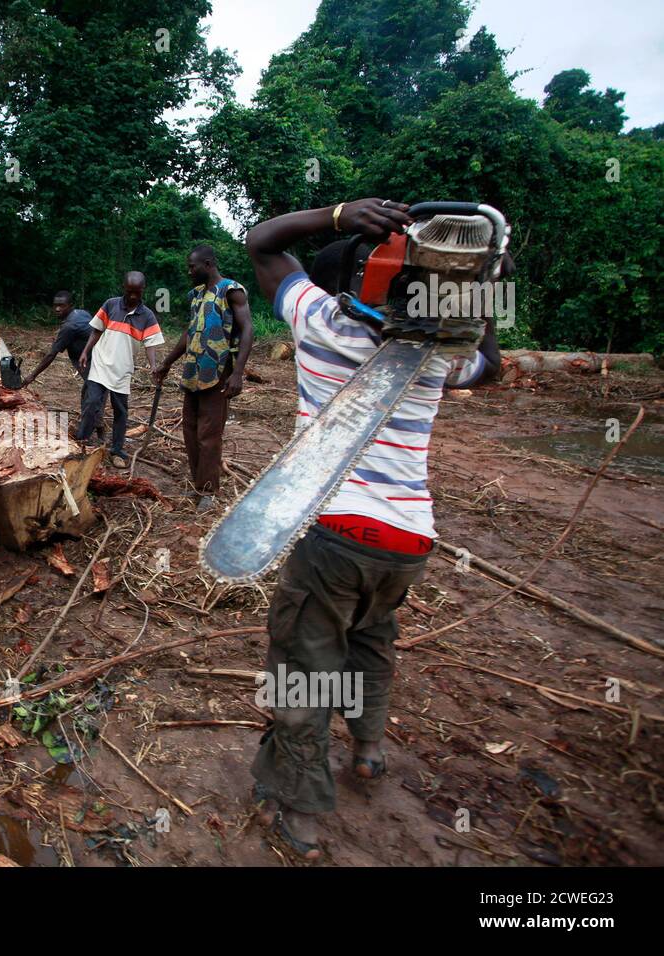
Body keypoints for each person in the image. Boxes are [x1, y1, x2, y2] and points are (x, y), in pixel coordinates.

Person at [242, 197, 503, 860]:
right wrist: (480, 291)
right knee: (373, 640)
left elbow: (263, 244)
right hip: (411, 541)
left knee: (308, 665)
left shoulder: (322, 322)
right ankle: (369, 752)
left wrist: (338, 214)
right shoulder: (440, 354)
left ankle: (299, 813)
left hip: (334, 535)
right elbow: (490, 365)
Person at [154, 244, 254, 513]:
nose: (189, 271)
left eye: (192, 266)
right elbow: (189, 333)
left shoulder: (231, 291)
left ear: (208, 264)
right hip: (193, 372)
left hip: (218, 373)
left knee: (209, 435)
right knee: (190, 430)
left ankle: (208, 491)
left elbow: (247, 331)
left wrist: (237, 373)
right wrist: (167, 363)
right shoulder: (197, 295)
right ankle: (199, 483)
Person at [77, 272, 164, 469]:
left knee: (121, 412)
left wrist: (153, 366)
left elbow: (151, 344)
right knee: (91, 403)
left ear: (143, 290)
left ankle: (117, 450)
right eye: (129, 291)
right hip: (100, 364)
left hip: (123, 370)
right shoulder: (110, 304)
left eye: (137, 292)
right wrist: (85, 351)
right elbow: (97, 330)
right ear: (123, 287)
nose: (133, 296)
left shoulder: (147, 316)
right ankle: (81, 441)